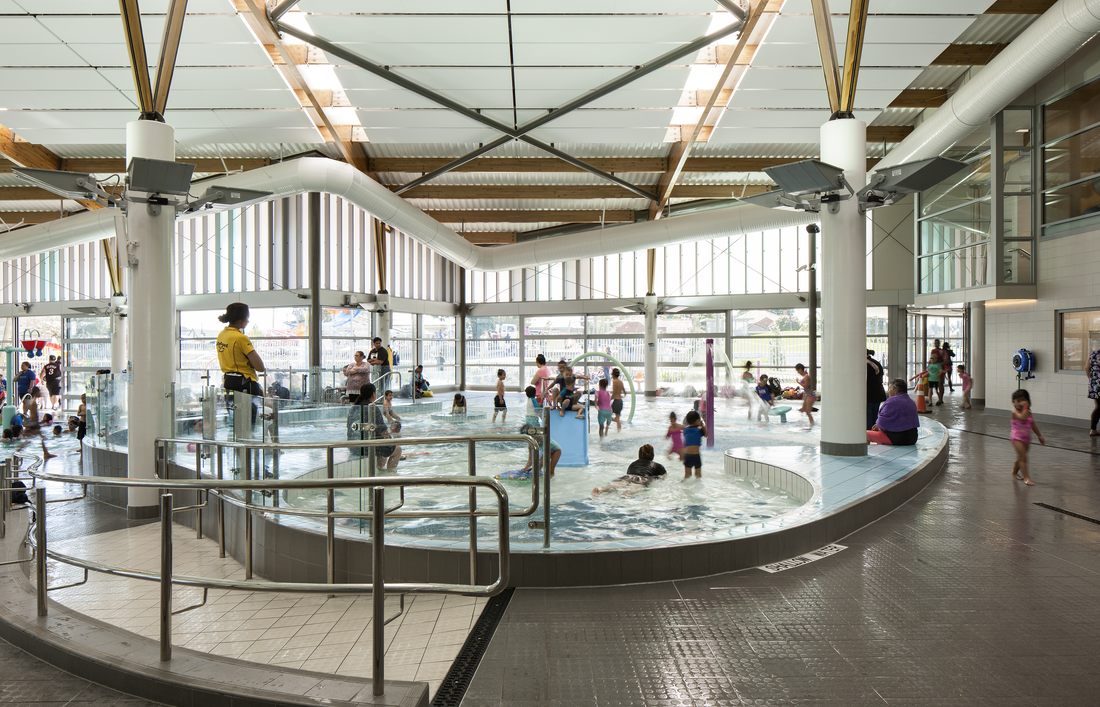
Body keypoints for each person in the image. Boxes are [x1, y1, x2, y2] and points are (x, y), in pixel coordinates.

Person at [216, 303, 265, 426]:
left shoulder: (222, 335)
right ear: (240, 320)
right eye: (247, 318)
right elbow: (260, 367)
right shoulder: (240, 338)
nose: (248, 321)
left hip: (229, 382)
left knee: (236, 425)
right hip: (245, 384)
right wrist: (251, 363)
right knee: (249, 426)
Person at [348, 383, 399, 468]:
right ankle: (388, 474)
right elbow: (383, 431)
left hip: (353, 447)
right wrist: (391, 441)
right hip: (366, 447)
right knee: (397, 449)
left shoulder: (354, 408)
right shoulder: (372, 407)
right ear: (373, 394)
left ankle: (379, 469)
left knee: (382, 446)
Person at [592, 444, 668, 496]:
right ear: (653, 455)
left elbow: (629, 473)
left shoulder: (633, 463)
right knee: (633, 488)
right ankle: (627, 493)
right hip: (642, 478)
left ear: (639, 455)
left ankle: (600, 490)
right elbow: (664, 477)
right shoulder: (658, 466)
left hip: (628, 476)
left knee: (615, 485)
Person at [867, 379, 921, 446]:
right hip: (912, 438)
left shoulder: (891, 401)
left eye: (889, 389)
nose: (889, 391)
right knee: (881, 430)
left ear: (896, 391)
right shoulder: (911, 402)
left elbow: (881, 422)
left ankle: (865, 454)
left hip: (896, 439)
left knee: (865, 434)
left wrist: (878, 425)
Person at [1010, 389, 1045, 485]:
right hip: (1016, 438)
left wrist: (1039, 435)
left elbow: (1033, 425)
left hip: (1026, 438)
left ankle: (1014, 472)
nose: (1021, 403)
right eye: (1019, 401)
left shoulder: (1029, 413)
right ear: (1014, 401)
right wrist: (1025, 407)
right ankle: (1027, 478)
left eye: (1024, 400)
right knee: (1024, 457)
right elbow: (1022, 418)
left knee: (1021, 457)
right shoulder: (1014, 412)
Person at [678, 410, 706, 478]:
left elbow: (684, 428)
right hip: (696, 456)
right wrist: (702, 424)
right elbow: (706, 434)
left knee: (687, 475)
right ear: (697, 421)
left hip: (687, 456)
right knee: (698, 476)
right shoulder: (699, 431)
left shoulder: (686, 431)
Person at [867, 350, 887, 430]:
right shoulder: (875, 363)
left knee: (868, 415)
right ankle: (875, 432)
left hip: (869, 394)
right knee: (875, 414)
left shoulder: (865, 364)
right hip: (878, 392)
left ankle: (869, 433)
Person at [1089, 348, 1100, 436]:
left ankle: (1093, 429)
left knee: (1099, 407)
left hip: (1095, 385)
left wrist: (1092, 381)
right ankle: (1093, 430)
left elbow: (1086, 367)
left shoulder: (1094, 353)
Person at [610, 368, 625, 432]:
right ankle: (619, 432)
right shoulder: (620, 382)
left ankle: (618, 421)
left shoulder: (614, 381)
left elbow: (613, 393)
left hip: (616, 401)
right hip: (620, 401)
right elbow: (625, 392)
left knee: (607, 415)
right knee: (617, 417)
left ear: (613, 374)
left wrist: (609, 400)